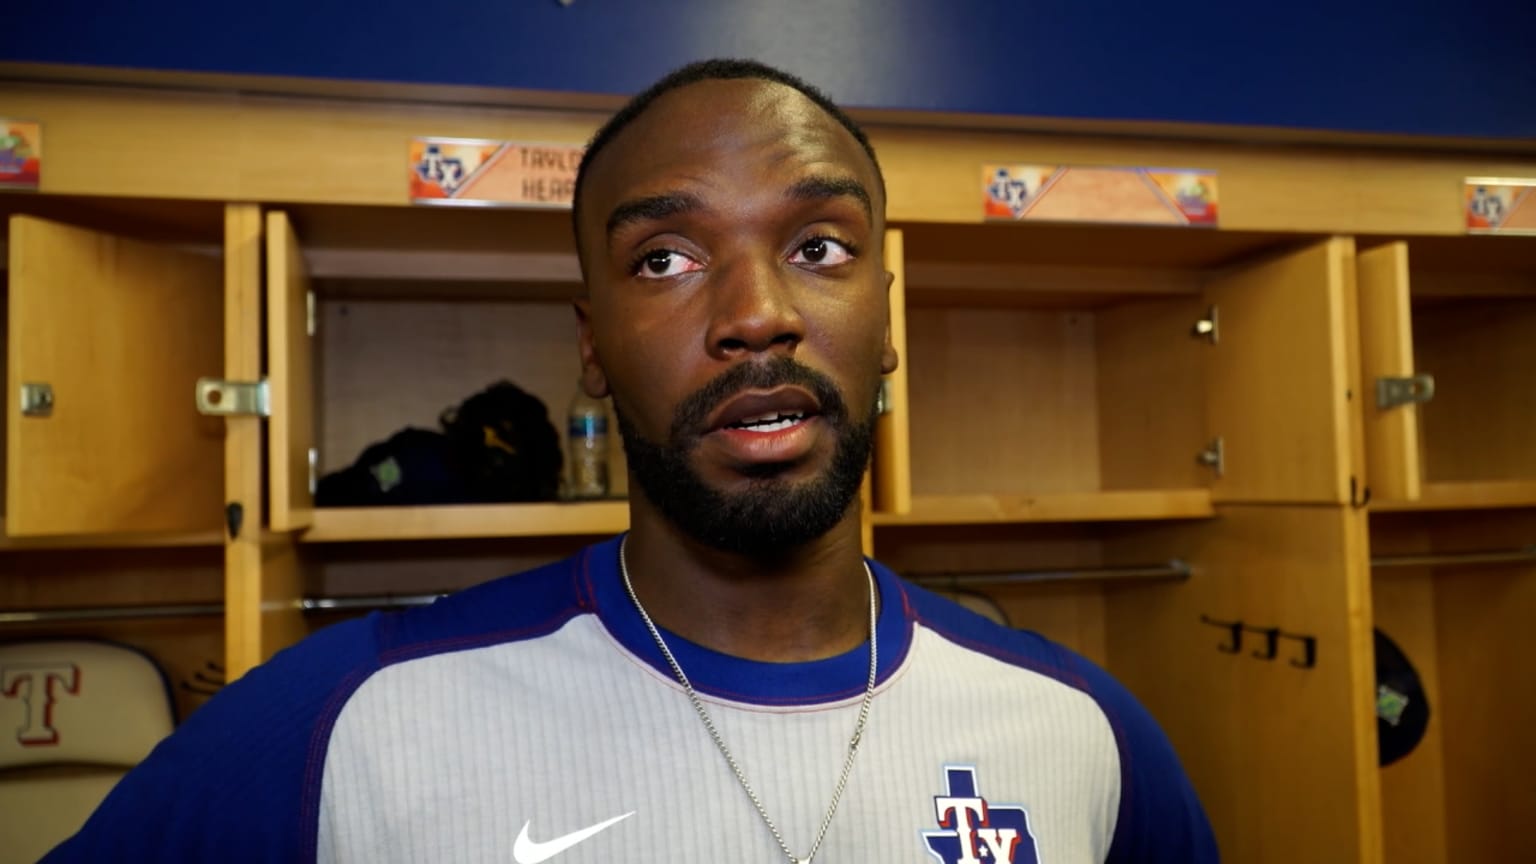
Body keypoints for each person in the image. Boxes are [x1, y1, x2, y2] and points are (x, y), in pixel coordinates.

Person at [43, 58, 1217, 863]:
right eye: (665, 258)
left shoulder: (1083, 733)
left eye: (818, 244)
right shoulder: (344, 720)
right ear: (592, 346)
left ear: (888, 320)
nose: (756, 313)